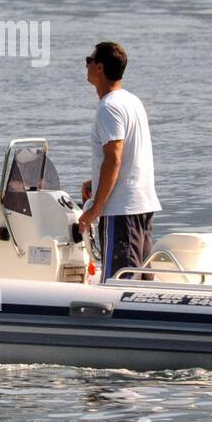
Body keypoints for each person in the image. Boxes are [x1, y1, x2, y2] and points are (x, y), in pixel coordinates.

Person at [76, 42, 161, 279]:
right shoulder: (131, 101)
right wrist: (94, 181)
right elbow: (129, 156)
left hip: (121, 210)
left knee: (119, 283)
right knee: (140, 281)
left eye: (88, 60)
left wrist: (95, 208)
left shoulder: (109, 107)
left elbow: (114, 159)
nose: (86, 65)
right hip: (140, 204)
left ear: (100, 68)